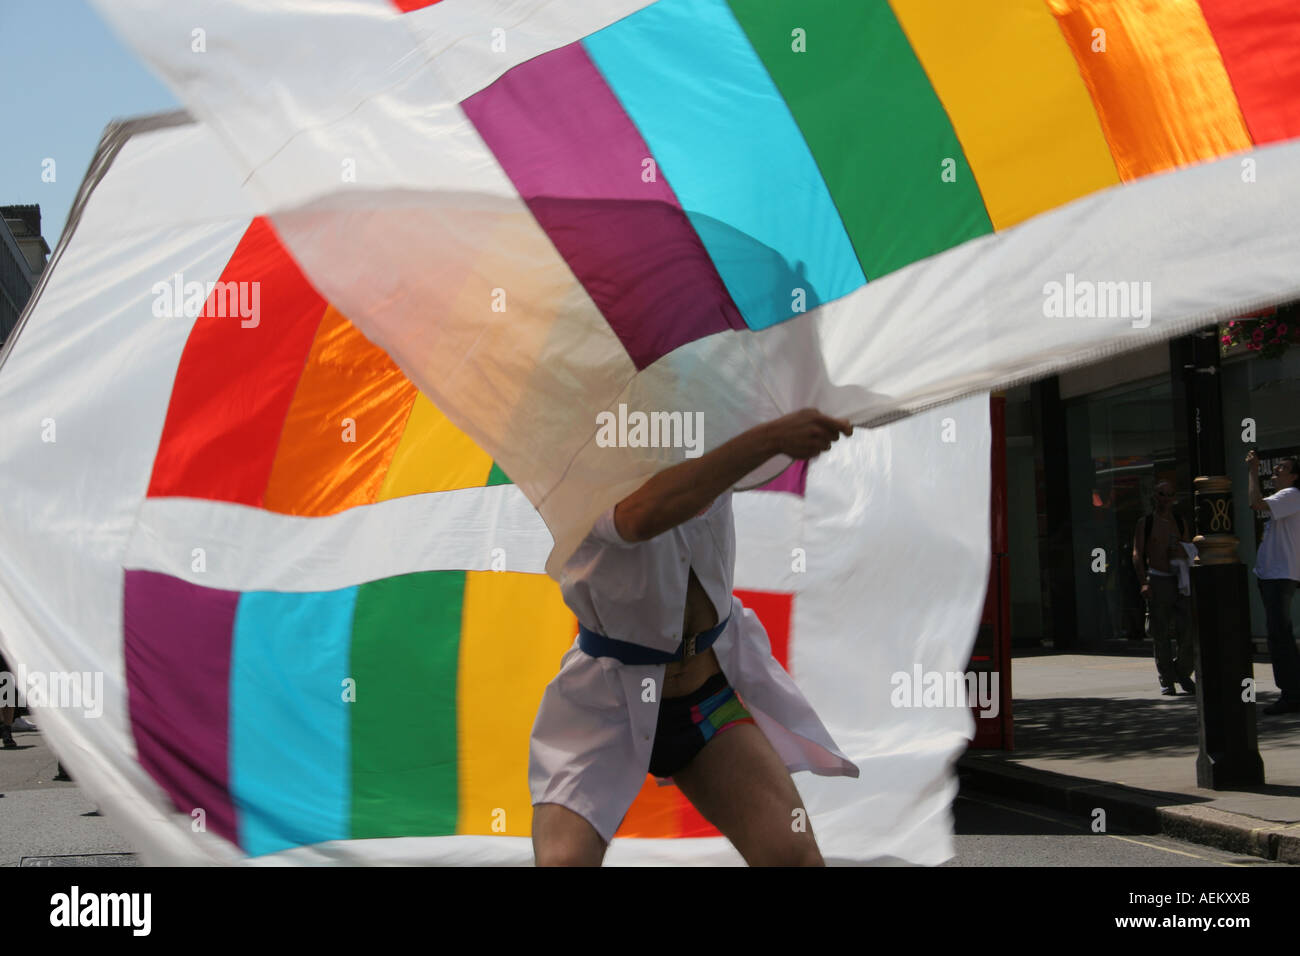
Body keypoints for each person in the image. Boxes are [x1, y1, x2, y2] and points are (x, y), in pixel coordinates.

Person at [530, 408, 860, 866]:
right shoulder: (573, 447)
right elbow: (639, 516)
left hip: (705, 702)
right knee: (562, 863)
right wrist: (768, 437)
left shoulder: (698, 417)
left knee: (795, 857)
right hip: (605, 708)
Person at [1246, 451, 1300, 715]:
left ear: (1295, 476)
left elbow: (1255, 503)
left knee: (1280, 637)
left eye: (1283, 468)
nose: (1276, 470)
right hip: (1272, 576)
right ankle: (1293, 692)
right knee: (1280, 636)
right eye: (1276, 466)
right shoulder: (1287, 498)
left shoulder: (1292, 494)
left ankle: (1291, 695)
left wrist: (1253, 471)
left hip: (1279, 577)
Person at [1132, 481, 1195, 696]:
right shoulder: (1146, 523)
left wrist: (1181, 551)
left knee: (1188, 630)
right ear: (1155, 496)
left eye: (1170, 494)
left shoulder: (1179, 521)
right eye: (1162, 494)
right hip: (1158, 579)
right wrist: (1144, 582)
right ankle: (1167, 679)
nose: (1166, 498)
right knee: (1161, 633)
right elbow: (1137, 553)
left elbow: (1189, 549)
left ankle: (1183, 671)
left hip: (1180, 580)